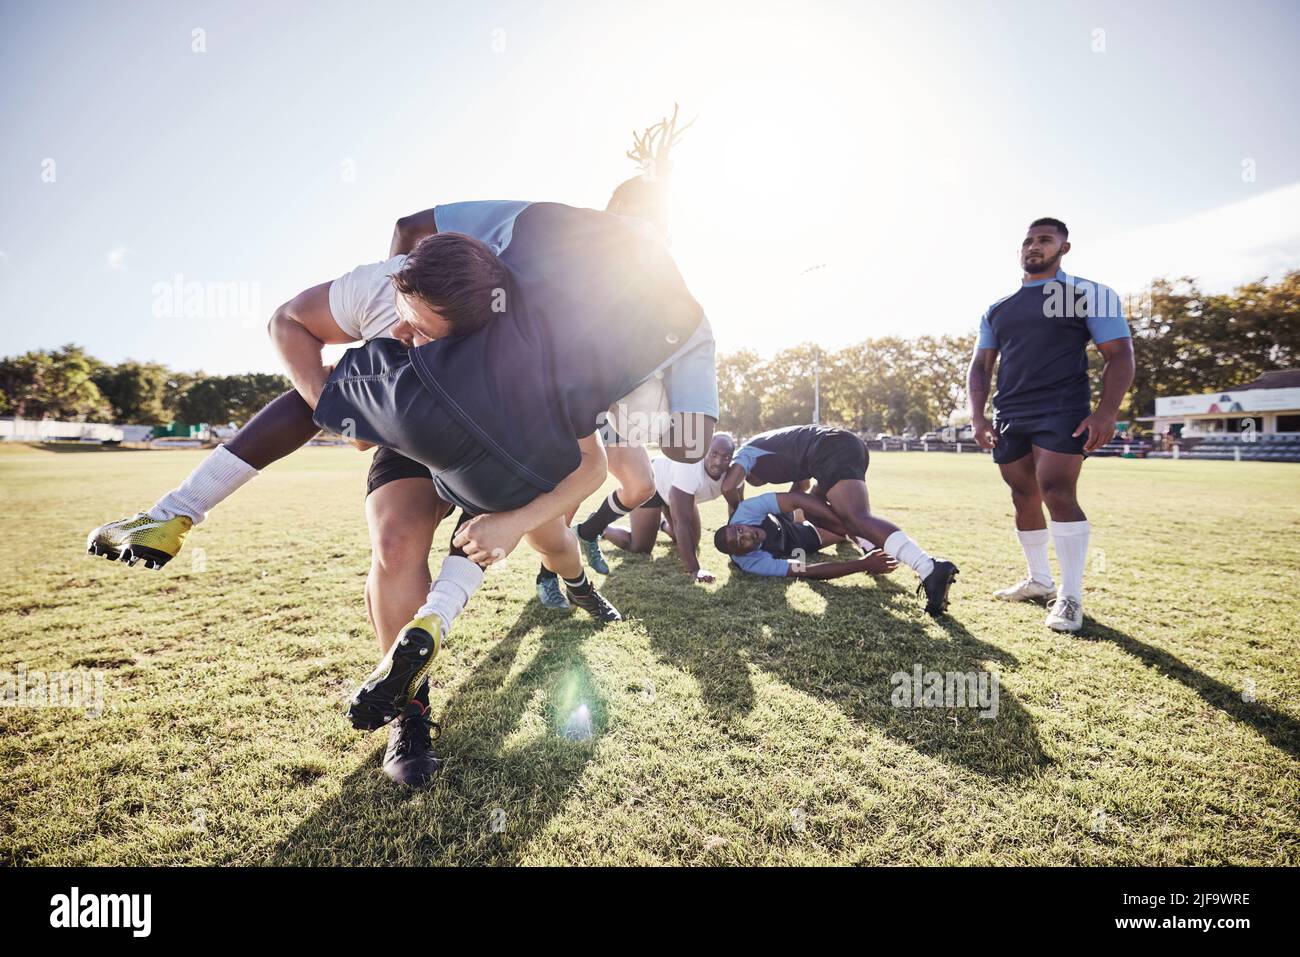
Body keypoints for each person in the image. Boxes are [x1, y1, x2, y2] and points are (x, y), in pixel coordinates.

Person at [87, 198, 715, 782]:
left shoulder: (547, 341)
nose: (414, 340)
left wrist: (516, 515)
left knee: (549, 542)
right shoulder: (388, 283)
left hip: (498, 429)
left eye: (434, 336)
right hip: (408, 420)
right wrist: (341, 406)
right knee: (394, 543)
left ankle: (574, 584)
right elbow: (290, 321)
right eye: (409, 325)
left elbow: (593, 465)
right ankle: (408, 713)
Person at [967, 217, 1134, 633]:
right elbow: (980, 365)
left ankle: (1070, 596)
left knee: (1057, 491)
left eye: (1045, 240)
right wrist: (977, 414)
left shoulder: (1088, 294)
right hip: (1011, 413)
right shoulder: (998, 308)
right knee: (1022, 494)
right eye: (1028, 241)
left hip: (1062, 409)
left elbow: (1120, 355)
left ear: (1064, 248)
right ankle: (1039, 579)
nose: (1034, 247)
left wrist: (1106, 412)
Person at [721, 424, 958, 616]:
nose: (756, 483)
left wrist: (735, 504)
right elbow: (803, 490)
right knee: (823, 514)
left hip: (830, 449)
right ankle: (871, 540)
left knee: (857, 518)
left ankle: (928, 566)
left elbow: (730, 486)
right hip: (841, 445)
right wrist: (860, 558)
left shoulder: (746, 455)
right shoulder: (780, 456)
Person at [600, 432, 735, 582]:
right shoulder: (691, 468)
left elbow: (736, 509)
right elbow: (681, 523)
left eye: (726, 457)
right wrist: (695, 570)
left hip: (678, 495)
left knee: (693, 541)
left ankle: (662, 524)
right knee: (640, 548)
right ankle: (601, 527)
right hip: (653, 485)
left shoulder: (734, 474)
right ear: (704, 451)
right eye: (714, 454)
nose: (718, 461)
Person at [715, 490, 898, 580]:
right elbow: (807, 570)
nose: (746, 535)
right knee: (842, 531)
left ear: (738, 524)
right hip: (791, 540)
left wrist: (851, 528)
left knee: (846, 514)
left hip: (779, 518)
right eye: (741, 543)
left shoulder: (745, 512)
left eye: (740, 530)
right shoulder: (750, 563)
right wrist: (863, 564)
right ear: (740, 553)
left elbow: (795, 499)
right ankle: (846, 532)